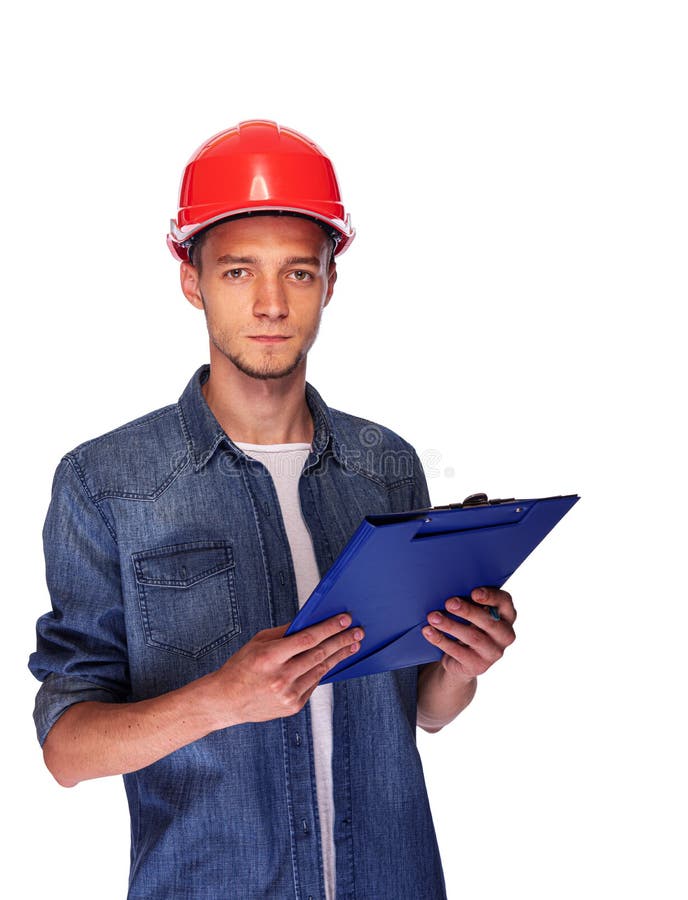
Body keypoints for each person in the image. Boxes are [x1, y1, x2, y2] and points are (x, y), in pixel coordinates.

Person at [29, 120, 517, 900]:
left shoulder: (385, 466)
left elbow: (422, 711)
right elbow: (66, 748)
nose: (268, 304)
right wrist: (221, 699)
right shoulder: (106, 482)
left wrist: (462, 663)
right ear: (191, 280)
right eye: (236, 273)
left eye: (296, 273)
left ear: (329, 280)